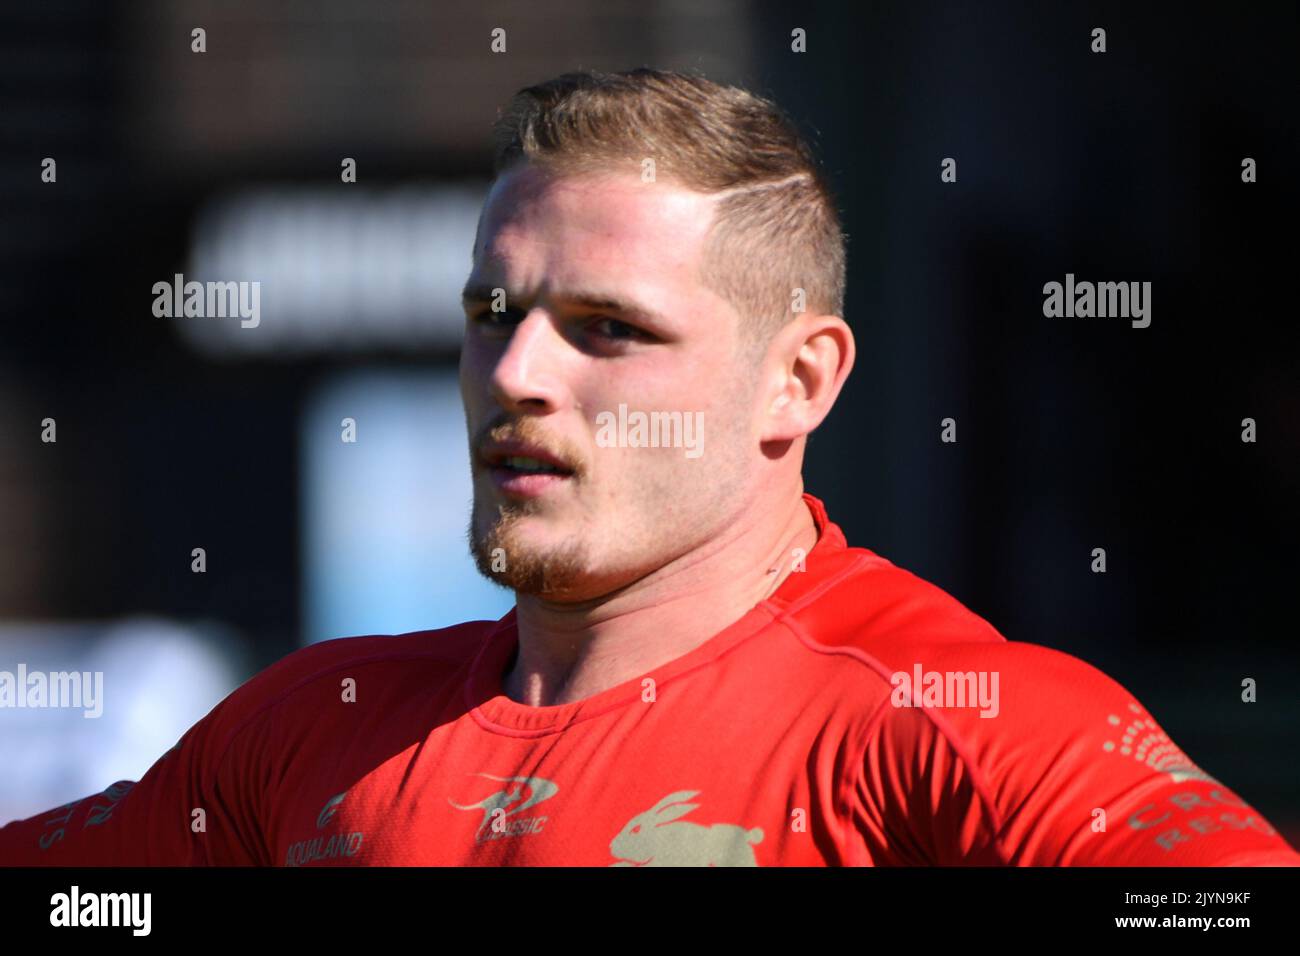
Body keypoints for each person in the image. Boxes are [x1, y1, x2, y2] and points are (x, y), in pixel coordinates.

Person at [2, 68, 1296, 866]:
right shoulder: (309, 733)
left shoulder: (944, 720)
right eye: (493, 313)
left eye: (608, 330)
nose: (517, 376)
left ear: (800, 380)